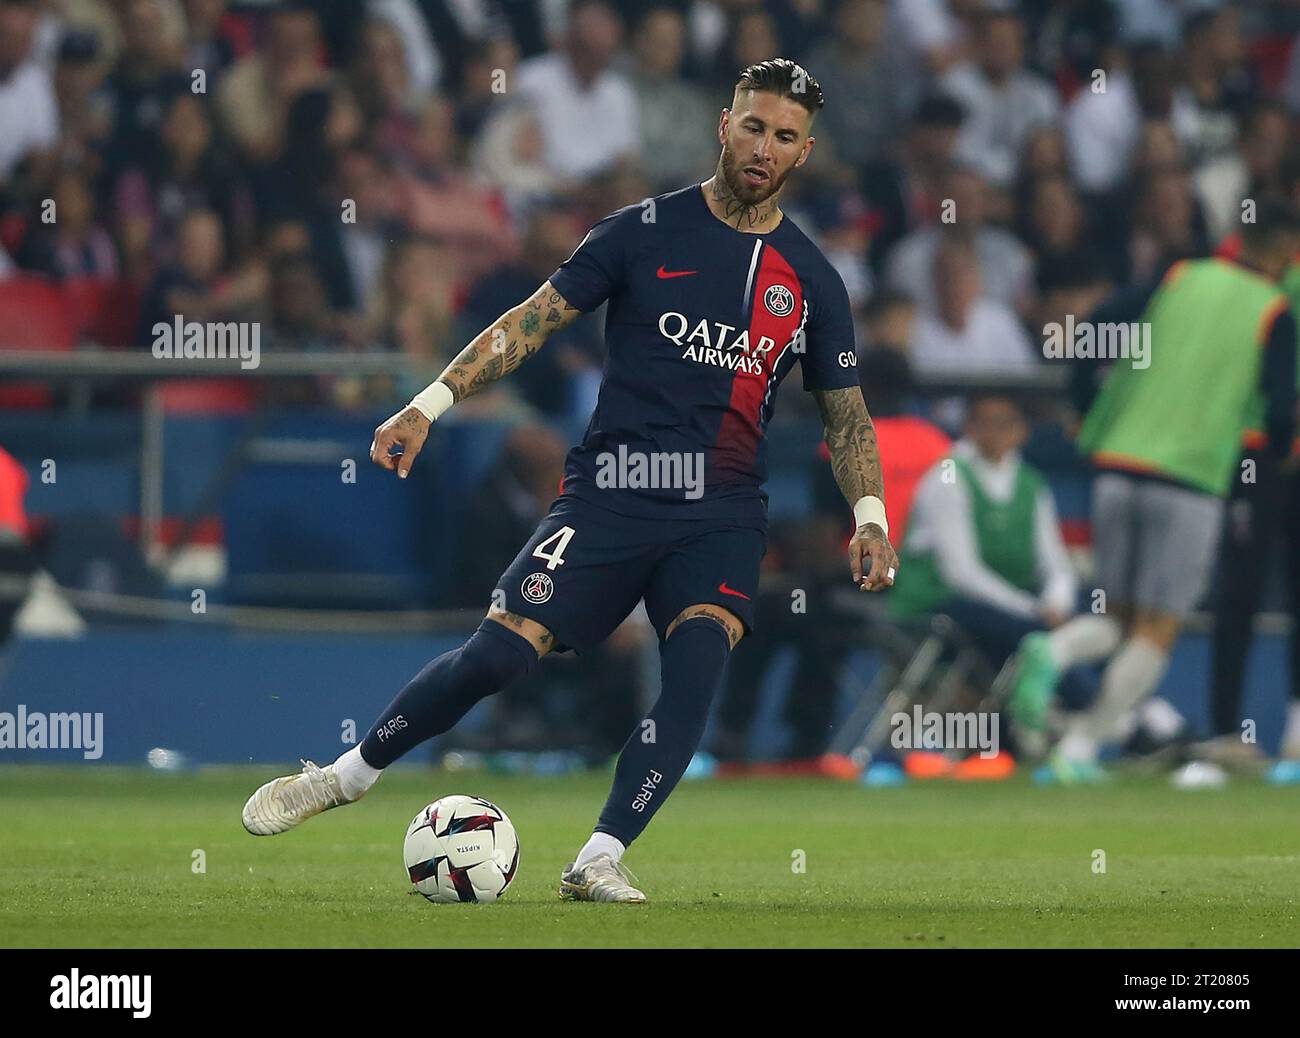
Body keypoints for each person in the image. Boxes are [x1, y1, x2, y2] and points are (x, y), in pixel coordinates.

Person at [240, 59, 899, 904]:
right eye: (752, 126)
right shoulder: (638, 232)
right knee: (500, 656)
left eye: (783, 136)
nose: (763, 147)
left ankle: (600, 854)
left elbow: (846, 415)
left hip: (722, 509)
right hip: (611, 492)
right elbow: (529, 325)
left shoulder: (811, 279)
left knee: (698, 659)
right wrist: (428, 404)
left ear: (805, 152)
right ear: (722, 127)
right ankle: (345, 775)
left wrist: (870, 514)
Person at [1019, 199, 1300, 783]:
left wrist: (1082, 404)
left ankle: (1057, 649)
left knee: (1120, 618)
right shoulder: (1274, 311)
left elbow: (1095, 326)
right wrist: (1275, 458)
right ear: (1282, 254)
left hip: (1118, 466)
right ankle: (1080, 748)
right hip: (1192, 479)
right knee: (1157, 629)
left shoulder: (1178, 277)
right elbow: (1279, 411)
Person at [889, 394, 1082, 741]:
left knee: (1066, 629)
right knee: (1027, 635)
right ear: (970, 429)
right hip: (935, 602)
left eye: (1005, 423)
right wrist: (1033, 610)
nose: (995, 433)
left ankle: (1085, 721)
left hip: (1002, 610)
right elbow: (960, 573)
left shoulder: (1032, 485)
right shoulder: (947, 478)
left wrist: (1057, 603)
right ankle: (1092, 712)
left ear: (1022, 431)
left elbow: (1056, 564)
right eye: (984, 423)